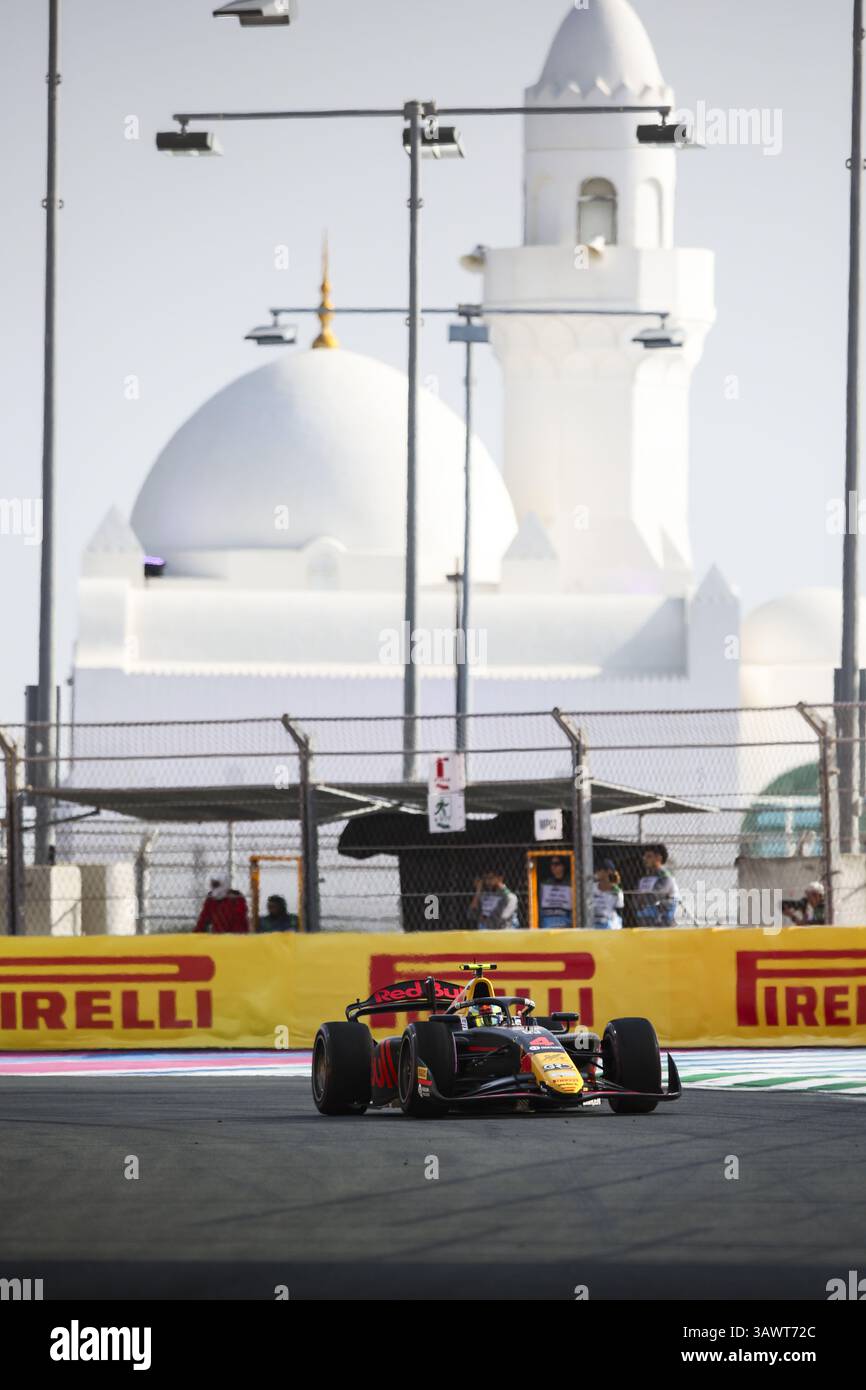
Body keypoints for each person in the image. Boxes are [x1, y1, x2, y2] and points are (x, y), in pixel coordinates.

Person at [634, 844, 679, 926]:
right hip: (645, 921)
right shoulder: (643, 878)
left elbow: (655, 896)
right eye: (644, 856)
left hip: (662, 922)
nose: (644, 859)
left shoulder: (665, 877)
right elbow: (635, 898)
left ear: (658, 858)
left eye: (649, 856)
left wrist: (642, 900)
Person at [538, 855, 573, 929]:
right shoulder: (545, 884)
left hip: (565, 922)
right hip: (548, 923)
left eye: (556, 864)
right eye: (551, 864)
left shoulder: (571, 883)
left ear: (563, 866)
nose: (553, 867)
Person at [592, 860, 624, 929]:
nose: (596, 872)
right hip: (593, 921)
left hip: (608, 922)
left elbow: (619, 908)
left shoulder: (616, 890)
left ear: (608, 871)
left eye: (599, 870)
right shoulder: (591, 887)